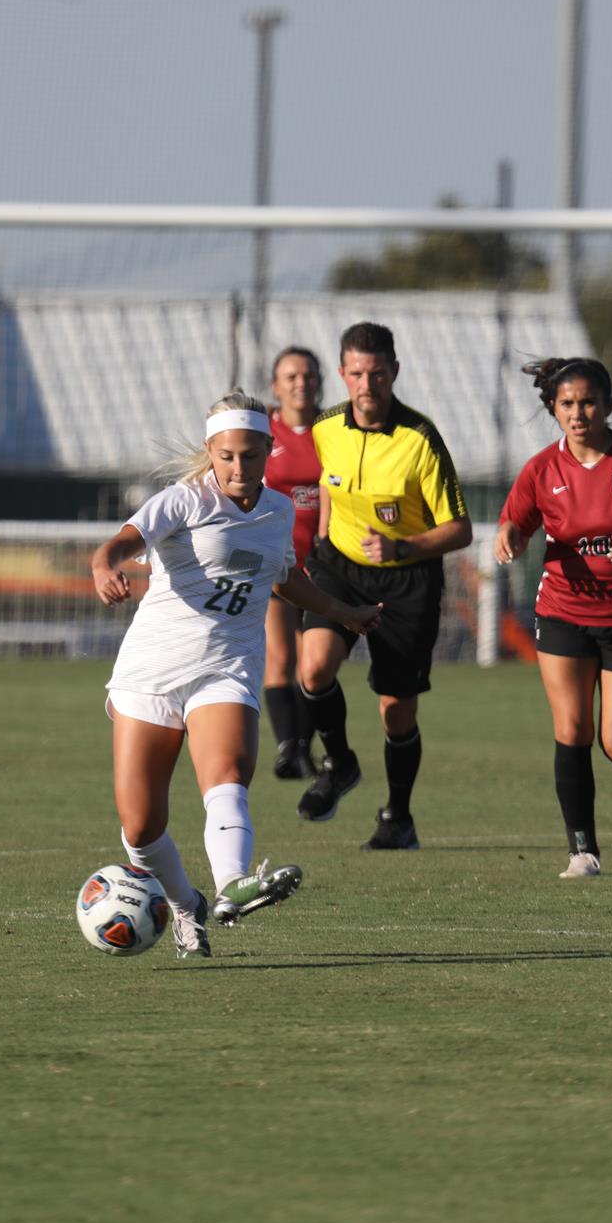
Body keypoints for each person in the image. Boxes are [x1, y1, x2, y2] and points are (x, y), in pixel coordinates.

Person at [91, 392, 380, 958]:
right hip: (152, 671)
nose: (238, 468)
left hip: (226, 666)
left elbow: (283, 578)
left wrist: (343, 613)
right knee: (141, 826)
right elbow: (122, 542)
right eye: (226, 456)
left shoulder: (278, 511)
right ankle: (185, 904)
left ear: (269, 450)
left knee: (227, 774)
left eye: (250, 455)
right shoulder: (181, 501)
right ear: (211, 452)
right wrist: (105, 566)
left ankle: (231, 888)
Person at [496, 357, 612, 879]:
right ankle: (583, 851)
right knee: (571, 729)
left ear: (607, 404)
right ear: (554, 409)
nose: (578, 413)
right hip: (562, 611)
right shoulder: (541, 469)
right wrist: (510, 536)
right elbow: (515, 520)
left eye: (588, 403)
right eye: (567, 404)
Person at [295, 321, 473, 851]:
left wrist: (403, 547)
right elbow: (330, 482)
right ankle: (340, 763)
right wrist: (324, 540)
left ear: (394, 373)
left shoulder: (421, 439)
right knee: (313, 666)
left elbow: (460, 529)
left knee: (396, 709)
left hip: (407, 581)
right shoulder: (326, 426)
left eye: (376, 373)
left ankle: (398, 815)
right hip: (340, 568)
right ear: (343, 375)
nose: (366, 384)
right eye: (356, 373)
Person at [261, 346, 326, 781]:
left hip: (323, 565)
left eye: (307, 375)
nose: (299, 383)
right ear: (276, 385)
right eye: (290, 376)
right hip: (275, 562)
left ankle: (305, 746)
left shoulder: (334, 430)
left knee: (314, 665)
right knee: (280, 657)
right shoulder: (263, 431)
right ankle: (289, 749)